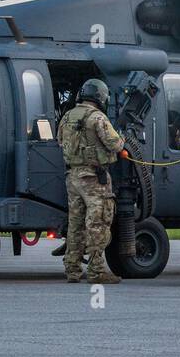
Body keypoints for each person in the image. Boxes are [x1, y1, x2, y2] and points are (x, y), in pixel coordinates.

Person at [57, 78, 126, 284]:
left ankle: (72, 269)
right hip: (94, 178)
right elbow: (115, 144)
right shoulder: (98, 118)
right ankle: (96, 271)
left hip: (73, 177)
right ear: (100, 97)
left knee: (75, 224)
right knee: (98, 223)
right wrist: (122, 139)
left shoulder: (67, 116)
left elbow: (61, 141)